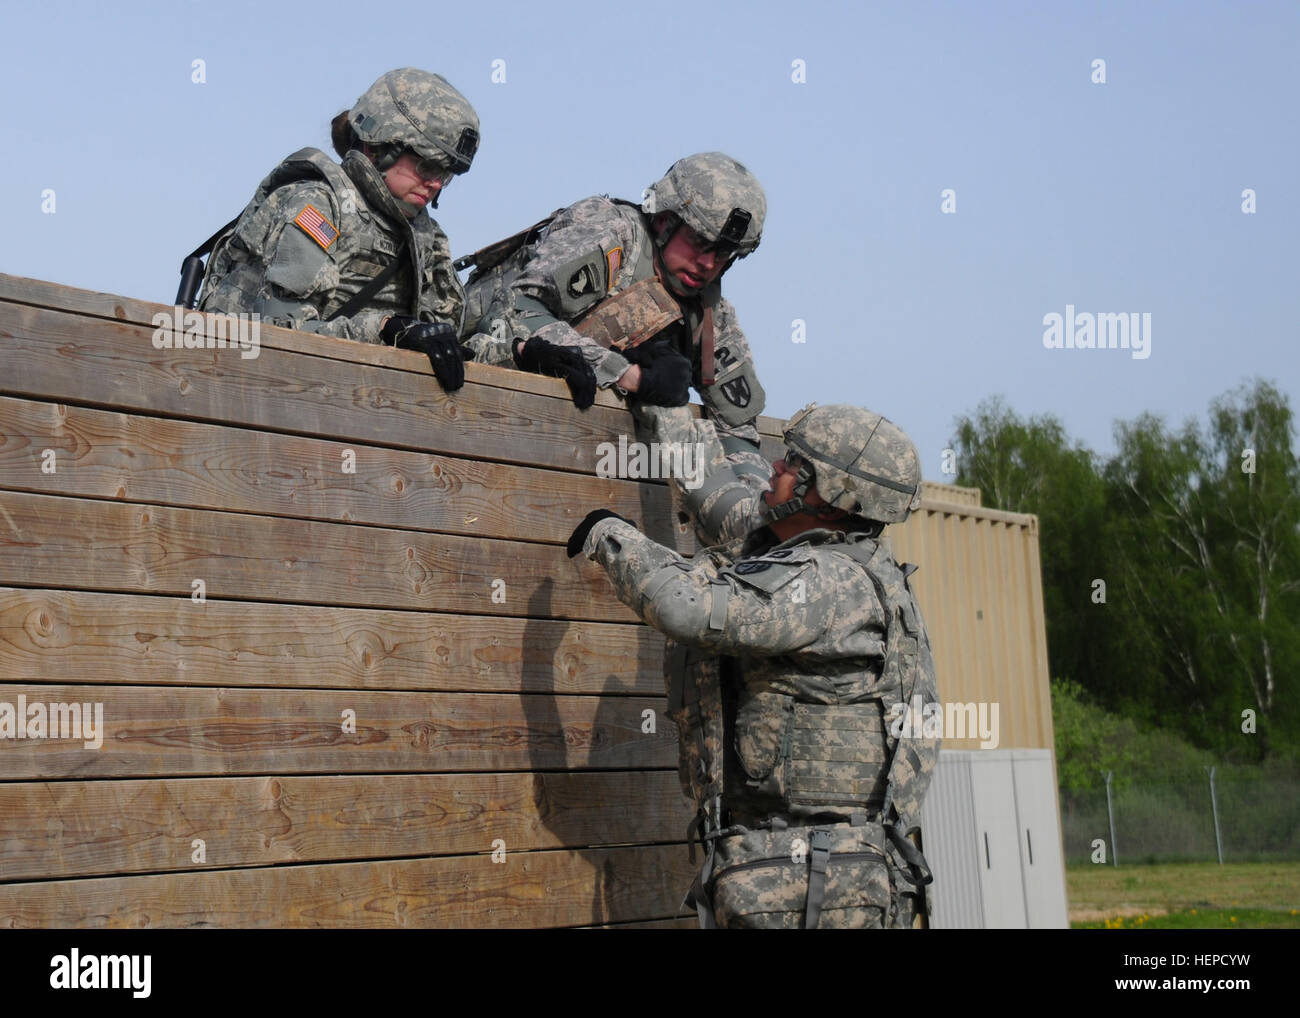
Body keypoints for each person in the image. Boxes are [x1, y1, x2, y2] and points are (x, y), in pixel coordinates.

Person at [567, 403, 941, 928]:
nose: (775, 468)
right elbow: (726, 504)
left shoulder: (826, 582)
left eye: (792, 464)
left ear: (829, 499)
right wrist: (666, 403)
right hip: (821, 872)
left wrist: (611, 536)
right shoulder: (848, 564)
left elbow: (688, 609)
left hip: (804, 886)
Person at [460, 153, 771, 512]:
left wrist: (756, 504)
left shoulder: (710, 310)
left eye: (724, 255)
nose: (708, 265)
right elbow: (513, 312)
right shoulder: (611, 231)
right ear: (664, 222)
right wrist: (628, 375)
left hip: (568, 462)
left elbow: (739, 428)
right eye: (700, 243)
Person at [194, 67, 479, 390]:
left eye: (447, 174)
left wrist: (520, 351)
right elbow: (279, 332)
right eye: (428, 165)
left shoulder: (426, 236)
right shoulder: (319, 205)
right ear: (379, 148)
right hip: (249, 390)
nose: (436, 183)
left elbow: (448, 341)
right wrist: (385, 328)